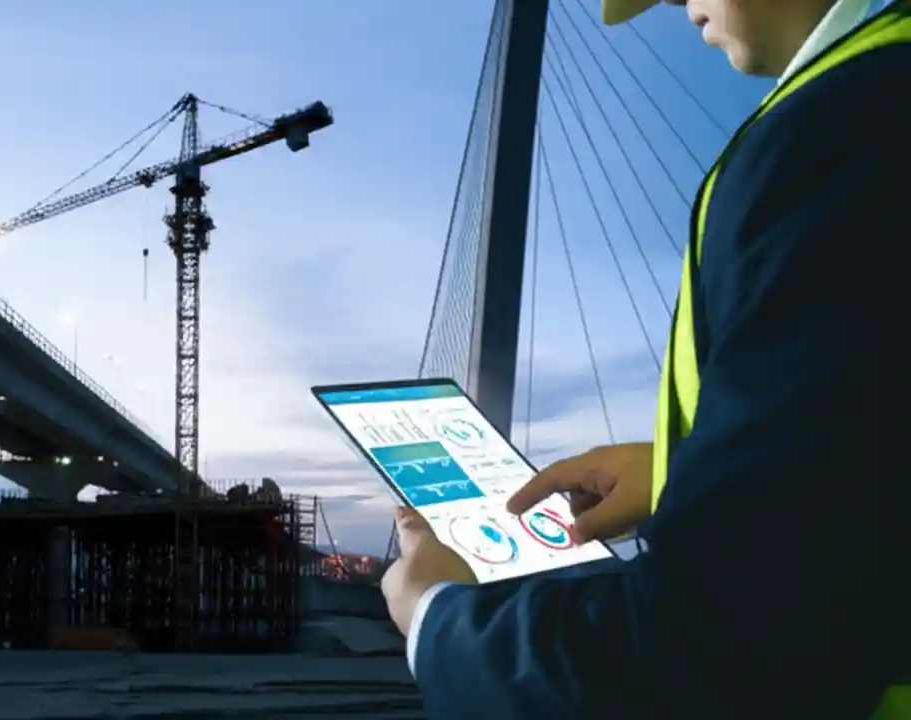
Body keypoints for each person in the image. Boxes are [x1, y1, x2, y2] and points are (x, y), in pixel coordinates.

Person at [380, 1, 910, 717]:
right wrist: (686, 471)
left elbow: (713, 652)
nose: (672, 4)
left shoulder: (837, 131)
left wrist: (435, 617)